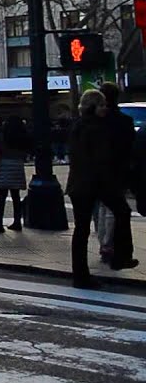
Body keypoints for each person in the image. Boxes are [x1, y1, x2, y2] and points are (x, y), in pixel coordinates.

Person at [68, 89, 138, 290]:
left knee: (81, 229)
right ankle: (120, 256)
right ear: (93, 107)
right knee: (122, 212)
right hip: (96, 183)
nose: (105, 109)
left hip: (79, 183)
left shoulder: (78, 125)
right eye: (101, 105)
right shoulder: (97, 128)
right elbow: (102, 159)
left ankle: (80, 275)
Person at [95, 82, 137, 264]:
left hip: (99, 170)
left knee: (102, 209)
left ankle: (104, 243)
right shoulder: (124, 121)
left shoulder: (97, 120)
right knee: (114, 209)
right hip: (118, 170)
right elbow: (130, 147)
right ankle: (109, 245)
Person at [0, 116, 29, 233]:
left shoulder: (1, 135)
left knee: (1, 196)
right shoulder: (22, 135)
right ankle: (17, 222)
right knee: (16, 196)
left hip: (4, 165)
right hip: (18, 166)